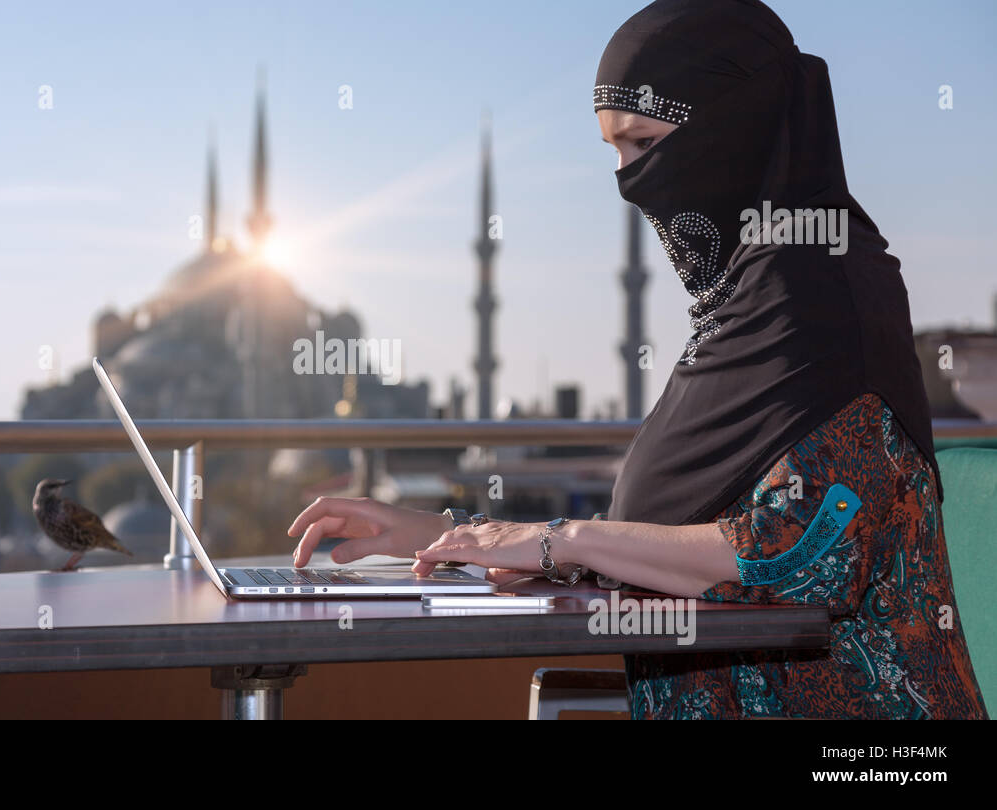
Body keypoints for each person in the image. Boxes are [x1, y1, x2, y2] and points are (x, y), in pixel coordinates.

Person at [285, 0, 988, 719]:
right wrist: (442, 536)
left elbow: (797, 558)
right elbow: (678, 529)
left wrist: (553, 539)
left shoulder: (820, 284)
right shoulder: (750, 298)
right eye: (614, 152)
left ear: (728, 129)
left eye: (645, 143)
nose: (628, 182)